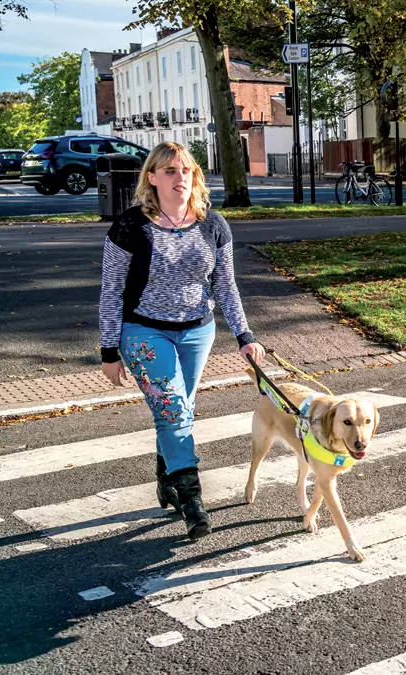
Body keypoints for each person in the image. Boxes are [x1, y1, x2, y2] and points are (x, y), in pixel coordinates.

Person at [98, 141, 265, 541]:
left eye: (186, 170)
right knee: (173, 411)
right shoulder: (130, 226)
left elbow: (226, 286)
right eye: (170, 171)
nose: (180, 178)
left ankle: (167, 478)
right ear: (152, 178)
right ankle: (193, 502)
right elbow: (111, 290)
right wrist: (108, 350)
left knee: (178, 410)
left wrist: (245, 335)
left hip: (197, 331)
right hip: (143, 331)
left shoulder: (213, 224)